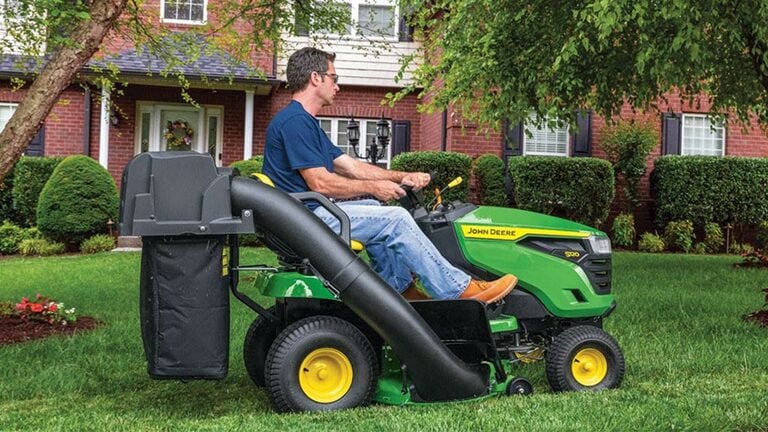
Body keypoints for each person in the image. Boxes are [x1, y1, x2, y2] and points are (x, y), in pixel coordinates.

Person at [262, 47, 516, 302]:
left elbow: (350, 166)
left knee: (375, 208)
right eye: (334, 78)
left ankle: (399, 287)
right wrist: (374, 187)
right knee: (395, 218)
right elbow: (320, 183)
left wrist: (400, 177)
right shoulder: (295, 122)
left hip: (305, 216)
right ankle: (457, 290)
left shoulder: (304, 122)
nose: (337, 86)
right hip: (306, 220)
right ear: (315, 78)